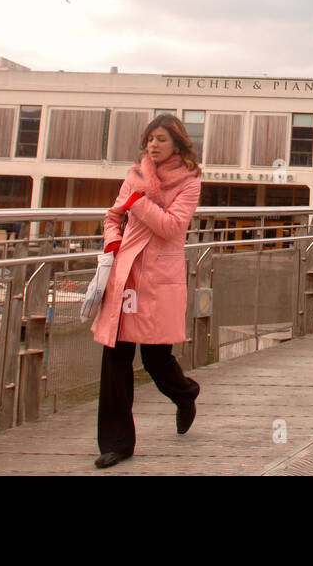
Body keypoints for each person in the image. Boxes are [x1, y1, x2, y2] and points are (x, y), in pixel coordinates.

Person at [89, 114, 203, 469]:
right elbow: (112, 217)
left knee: (156, 359)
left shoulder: (190, 181)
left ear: (178, 145)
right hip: (126, 276)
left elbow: (171, 227)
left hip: (158, 278)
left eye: (161, 140)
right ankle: (117, 443)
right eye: (150, 139)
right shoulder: (135, 174)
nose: (153, 145)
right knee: (115, 359)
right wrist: (112, 247)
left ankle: (185, 394)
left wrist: (138, 202)